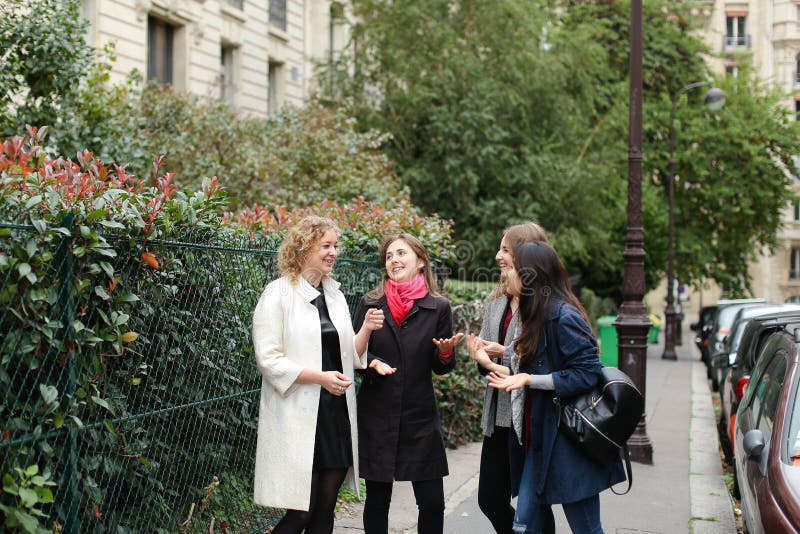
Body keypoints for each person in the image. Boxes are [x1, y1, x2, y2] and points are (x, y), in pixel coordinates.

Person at [252, 216, 385, 534]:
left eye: (335, 246)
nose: (333, 252)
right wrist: (320, 377)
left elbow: (347, 356)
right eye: (326, 245)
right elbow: (268, 360)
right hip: (301, 416)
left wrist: (365, 329)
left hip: (336, 416)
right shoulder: (278, 294)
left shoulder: (335, 294)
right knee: (301, 513)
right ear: (303, 248)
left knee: (326, 509)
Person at [484, 241, 625, 534]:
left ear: (531, 275)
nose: (503, 273)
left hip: (569, 444)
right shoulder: (536, 315)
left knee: (585, 527)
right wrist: (506, 359)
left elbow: (587, 373)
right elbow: (537, 363)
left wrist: (527, 379)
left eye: (510, 268)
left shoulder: (563, 316)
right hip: (539, 442)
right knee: (525, 525)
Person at [353, 233, 464, 534]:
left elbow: (442, 367)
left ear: (420, 262)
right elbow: (355, 351)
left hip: (419, 417)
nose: (394, 260)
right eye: (389, 256)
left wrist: (445, 353)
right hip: (377, 413)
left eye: (401, 253)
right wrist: (372, 362)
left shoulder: (438, 307)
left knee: (432, 502)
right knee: (378, 499)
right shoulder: (371, 302)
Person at [465, 222, 555, 534]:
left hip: (532, 417)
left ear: (524, 253)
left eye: (505, 249)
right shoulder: (496, 300)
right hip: (498, 417)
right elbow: (491, 361)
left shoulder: (542, 303)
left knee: (535, 504)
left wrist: (498, 357)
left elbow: (539, 366)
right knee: (490, 499)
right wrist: (485, 356)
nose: (497, 256)